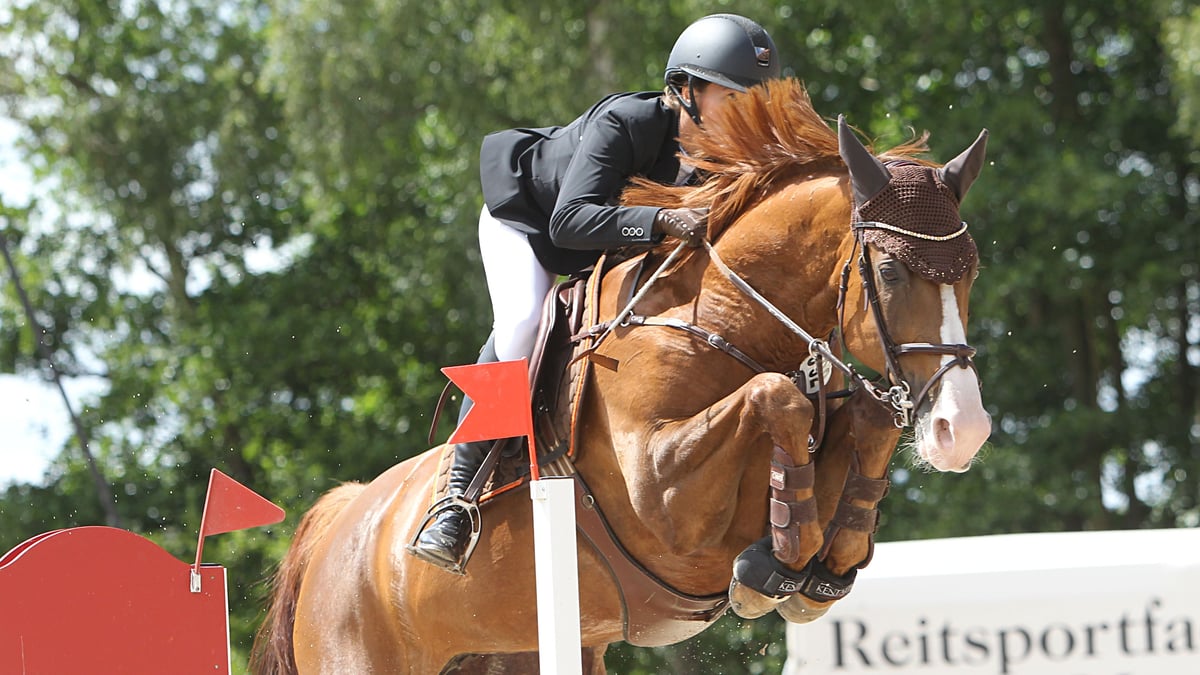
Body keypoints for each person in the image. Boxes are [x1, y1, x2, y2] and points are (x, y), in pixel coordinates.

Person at [410, 13, 782, 570]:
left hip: (604, 251)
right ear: (688, 88)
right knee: (522, 322)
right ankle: (457, 496)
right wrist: (656, 221)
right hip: (530, 224)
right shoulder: (626, 121)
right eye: (731, 97)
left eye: (753, 100)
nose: (744, 113)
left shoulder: (728, 160)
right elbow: (571, 222)